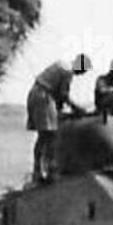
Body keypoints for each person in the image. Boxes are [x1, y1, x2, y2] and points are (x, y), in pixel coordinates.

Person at [26, 54, 92, 183]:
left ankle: (38, 170)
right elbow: (63, 95)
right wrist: (77, 109)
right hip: (43, 96)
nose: (82, 74)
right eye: (83, 71)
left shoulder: (62, 64)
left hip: (36, 93)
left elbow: (58, 94)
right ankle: (47, 170)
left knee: (43, 136)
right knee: (49, 135)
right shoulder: (68, 72)